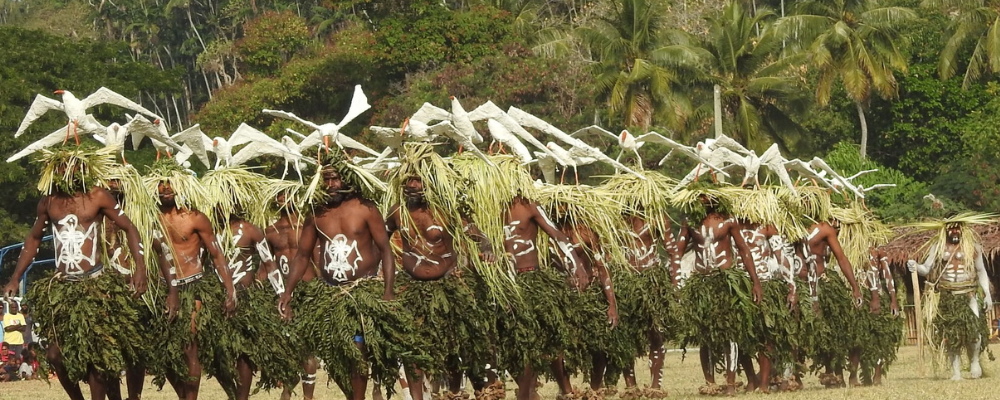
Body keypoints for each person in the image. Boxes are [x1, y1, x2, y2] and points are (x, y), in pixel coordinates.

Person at [2, 146, 148, 400]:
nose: (68, 171)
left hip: (96, 284)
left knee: (97, 354)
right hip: (63, 287)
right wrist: (15, 277)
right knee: (54, 355)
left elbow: (130, 228)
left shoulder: (98, 196)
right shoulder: (49, 202)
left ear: (84, 169)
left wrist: (141, 268)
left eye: (74, 167)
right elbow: (34, 239)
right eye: (62, 167)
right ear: (54, 170)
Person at [277, 155, 417, 400]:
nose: (330, 185)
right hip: (330, 293)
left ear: (347, 178)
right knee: (334, 356)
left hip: (363, 293)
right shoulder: (317, 213)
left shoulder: (366, 208)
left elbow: (386, 250)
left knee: (357, 348)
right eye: (326, 180)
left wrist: (388, 291)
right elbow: (301, 256)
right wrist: (287, 292)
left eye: (335, 178)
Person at [385, 171, 498, 400]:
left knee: (453, 350)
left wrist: (487, 248)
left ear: (431, 183)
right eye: (410, 180)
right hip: (412, 288)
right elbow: (379, 241)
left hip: (447, 287)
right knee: (412, 349)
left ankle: (456, 393)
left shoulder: (447, 211)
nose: (413, 185)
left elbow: (480, 236)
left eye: (418, 180)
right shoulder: (398, 212)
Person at [147, 162, 237, 400]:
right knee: (163, 352)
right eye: (161, 186)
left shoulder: (195, 218)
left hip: (193, 286)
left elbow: (217, 255)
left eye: (171, 186)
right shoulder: (148, 218)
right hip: (162, 290)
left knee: (189, 346)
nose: (166, 190)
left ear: (181, 187)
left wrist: (230, 291)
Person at [672, 193, 762, 396]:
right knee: (705, 334)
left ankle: (730, 383)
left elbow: (743, 249)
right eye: (700, 198)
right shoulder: (690, 223)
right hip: (702, 283)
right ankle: (710, 383)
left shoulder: (728, 220)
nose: (704, 202)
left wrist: (755, 282)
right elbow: (677, 252)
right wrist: (675, 280)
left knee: (730, 333)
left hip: (726, 282)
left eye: (707, 198)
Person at [500, 194, 585, 400]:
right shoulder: (483, 207)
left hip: (530, 281)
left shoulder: (527, 205)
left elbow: (557, 234)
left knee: (537, 343)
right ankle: (527, 391)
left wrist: (577, 263)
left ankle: (533, 393)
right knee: (507, 346)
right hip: (500, 285)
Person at [908, 218, 992, 380]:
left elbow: (981, 272)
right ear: (945, 230)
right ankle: (956, 372)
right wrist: (915, 267)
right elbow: (926, 269)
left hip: (969, 295)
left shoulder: (973, 248)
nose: (954, 232)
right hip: (948, 296)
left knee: (974, 331)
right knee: (951, 334)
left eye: (957, 229)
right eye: (951, 229)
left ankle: (974, 361)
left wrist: (987, 294)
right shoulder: (938, 248)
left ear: (962, 229)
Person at [265, 186, 321, 400]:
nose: (283, 198)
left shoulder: (307, 226)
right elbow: (267, 265)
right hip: (281, 294)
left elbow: (317, 258)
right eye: (279, 194)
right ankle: (287, 390)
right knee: (287, 345)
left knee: (306, 346)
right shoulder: (270, 231)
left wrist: (323, 286)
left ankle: (308, 396)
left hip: (308, 290)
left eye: (287, 194)